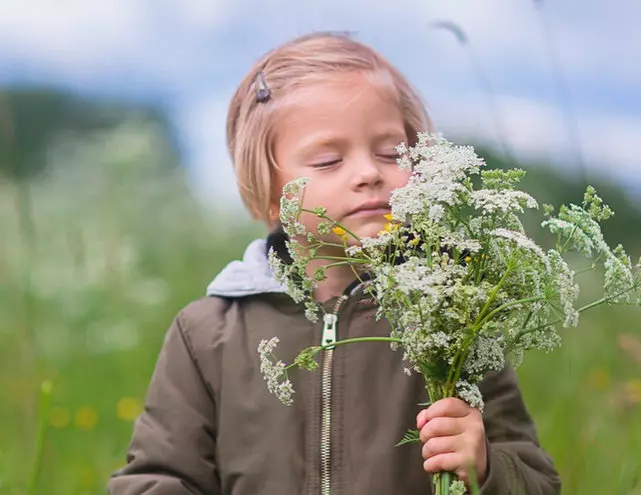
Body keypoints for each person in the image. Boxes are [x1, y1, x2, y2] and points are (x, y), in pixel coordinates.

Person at [107, 31, 561, 494]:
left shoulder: (457, 314)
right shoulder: (208, 334)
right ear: (267, 194)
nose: (368, 173)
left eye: (390, 152)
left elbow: (537, 482)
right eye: (328, 160)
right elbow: (157, 477)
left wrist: (483, 467)